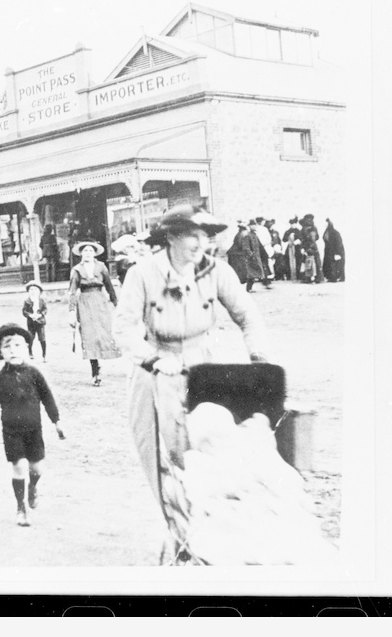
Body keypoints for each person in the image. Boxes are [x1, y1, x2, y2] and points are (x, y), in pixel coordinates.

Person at [112, 205, 269, 552]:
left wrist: (258, 355)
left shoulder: (217, 271)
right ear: (170, 237)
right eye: (193, 236)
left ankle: (205, 542)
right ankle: (178, 536)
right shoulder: (142, 273)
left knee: (203, 457)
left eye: (206, 236)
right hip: (154, 370)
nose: (202, 244)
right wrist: (153, 360)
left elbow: (248, 315)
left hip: (202, 368)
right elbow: (123, 329)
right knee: (161, 458)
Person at [0, 323, 65, 527]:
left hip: (34, 430)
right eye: (8, 347)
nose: (14, 351)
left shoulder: (34, 375)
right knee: (19, 467)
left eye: (18, 345)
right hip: (12, 432)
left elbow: (47, 398)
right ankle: (21, 508)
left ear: (27, 348)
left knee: (37, 469)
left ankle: (33, 488)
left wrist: (57, 422)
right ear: (1, 353)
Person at [67, 240, 120, 387]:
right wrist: (71, 311)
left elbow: (109, 286)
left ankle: (100, 365)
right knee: (89, 336)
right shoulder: (77, 270)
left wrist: (117, 305)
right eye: (85, 251)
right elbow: (72, 292)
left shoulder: (101, 267)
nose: (88, 253)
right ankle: (95, 371)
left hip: (100, 302)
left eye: (90, 251)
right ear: (81, 254)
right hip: (84, 304)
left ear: (94, 253)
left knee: (102, 334)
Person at [21, 281, 48, 361]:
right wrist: (30, 315)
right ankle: (30, 353)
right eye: (31, 290)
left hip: (40, 322)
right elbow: (24, 311)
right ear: (28, 291)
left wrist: (41, 314)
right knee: (30, 338)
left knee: (42, 338)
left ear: (39, 291)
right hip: (31, 323)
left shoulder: (41, 300)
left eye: (35, 290)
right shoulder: (27, 301)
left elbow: (45, 309)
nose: (33, 292)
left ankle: (44, 355)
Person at [245, 220, 272, 291]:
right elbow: (246, 247)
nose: (255, 226)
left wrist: (265, 255)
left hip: (257, 257)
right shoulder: (247, 235)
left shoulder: (255, 235)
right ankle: (249, 288)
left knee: (258, 272)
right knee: (252, 274)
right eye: (253, 225)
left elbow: (260, 246)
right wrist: (251, 255)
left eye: (255, 225)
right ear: (250, 226)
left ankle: (266, 283)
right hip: (252, 258)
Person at [299, 214, 324, 283]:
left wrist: (303, 248)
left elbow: (301, 239)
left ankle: (308, 278)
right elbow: (317, 237)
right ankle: (316, 278)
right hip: (313, 246)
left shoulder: (304, 228)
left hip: (307, 246)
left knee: (307, 262)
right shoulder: (314, 227)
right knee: (315, 262)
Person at [282, 217, 302, 281]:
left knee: (298, 261)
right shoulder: (288, 231)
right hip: (290, 248)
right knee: (288, 261)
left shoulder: (299, 231)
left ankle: (297, 275)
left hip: (297, 248)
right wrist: (289, 237)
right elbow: (284, 239)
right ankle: (289, 276)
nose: (293, 225)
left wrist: (298, 241)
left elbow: (302, 238)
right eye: (291, 224)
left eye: (294, 224)